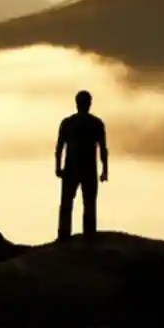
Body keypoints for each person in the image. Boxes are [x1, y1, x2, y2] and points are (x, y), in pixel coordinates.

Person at [55, 90, 108, 241]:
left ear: (77, 104)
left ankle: (64, 236)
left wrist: (58, 167)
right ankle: (88, 236)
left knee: (67, 204)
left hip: (71, 168)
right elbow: (103, 149)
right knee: (89, 204)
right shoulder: (96, 123)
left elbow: (59, 148)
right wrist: (105, 170)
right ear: (89, 104)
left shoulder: (68, 123)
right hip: (88, 169)